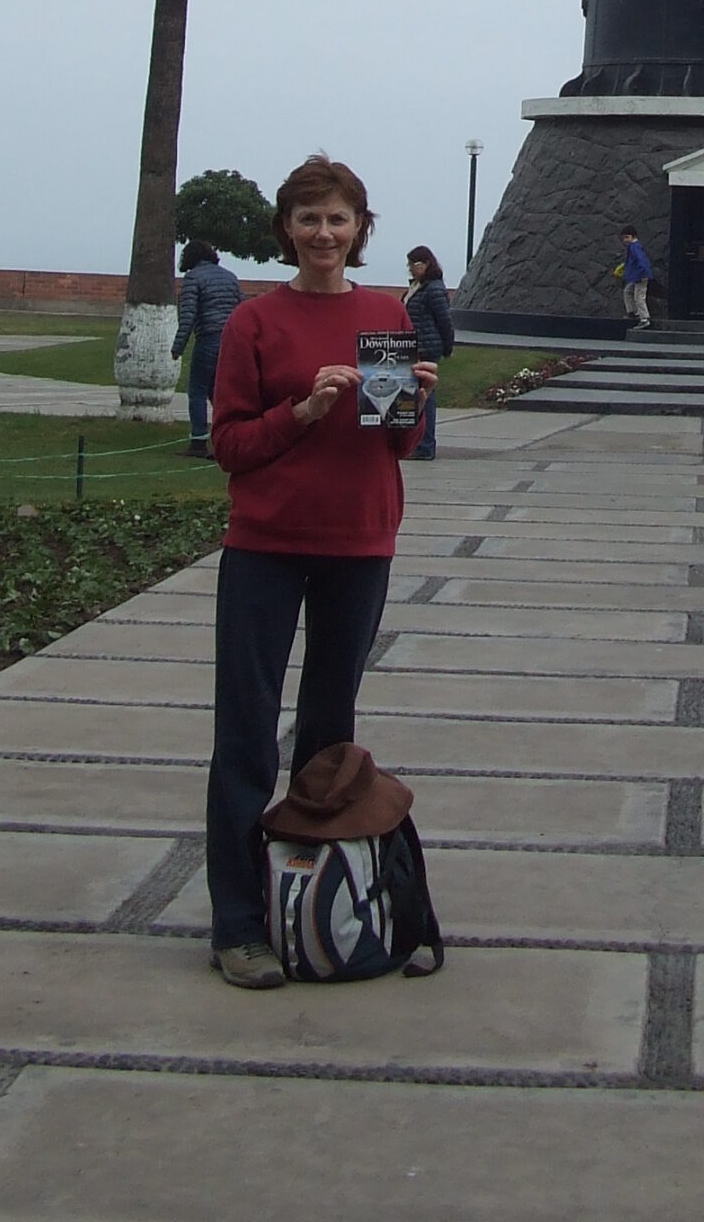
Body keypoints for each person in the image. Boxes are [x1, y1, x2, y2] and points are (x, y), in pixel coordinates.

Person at [204, 153, 438, 991]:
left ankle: (327, 904)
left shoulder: (385, 316)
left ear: (360, 229)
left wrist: (412, 402)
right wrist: (301, 411)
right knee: (245, 732)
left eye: (338, 219)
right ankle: (237, 923)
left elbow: (397, 445)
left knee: (328, 733)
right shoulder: (255, 323)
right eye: (308, 219)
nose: (324, 234)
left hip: (357, 540)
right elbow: (229, 444)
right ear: (287, 232)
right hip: (267, 541)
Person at [171, 238, 243, 459]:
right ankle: (225, 440)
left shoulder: (193, 278)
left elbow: (188, 315)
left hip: (209, 338)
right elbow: (243, 310)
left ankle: (199, 442)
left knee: (197, 391)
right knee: (218, 393)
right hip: (231, 340)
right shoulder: (230, 277)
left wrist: (178, 346)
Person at [402, 245, 454, 461]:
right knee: (417, 396)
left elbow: (444, 320)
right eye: (410, 265)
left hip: (426, 347)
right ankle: (418, 442)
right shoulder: (417, 287)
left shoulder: (433, 289)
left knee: (426, 395)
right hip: (412, 346)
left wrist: (447, 346)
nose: (411, 269)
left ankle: (426, 445)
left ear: (426, 264)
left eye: (415, 264)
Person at [618, 225, 652, 332]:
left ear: (633, 237)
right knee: (628, 291)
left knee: (639, 297)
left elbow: (641, 260)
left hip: (640, 276)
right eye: (624, 238)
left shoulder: (635, 247)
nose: (625, 240)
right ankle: (633, 312)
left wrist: (643, 273)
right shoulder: (634, 247)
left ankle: (644, 318)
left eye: (627, 237)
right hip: (637, 276)